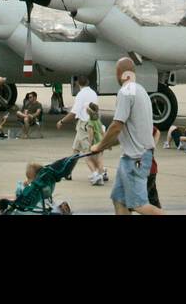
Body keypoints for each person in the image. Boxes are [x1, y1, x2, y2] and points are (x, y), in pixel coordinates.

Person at [89, 57, 164, 215]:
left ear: (119, 73)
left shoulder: (125, 92)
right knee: (119, 199)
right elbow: (128, 131)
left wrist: (99, 146)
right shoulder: (141, 91)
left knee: (138, 205)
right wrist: (108, 143)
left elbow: (116, 125)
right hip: (131, 157)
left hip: (136, 159)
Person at [56, 74, 106, 185]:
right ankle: (68, 172)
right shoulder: (93, 93)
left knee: (87, 153)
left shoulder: (80, 95)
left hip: (85, 126)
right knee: (75, 149)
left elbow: (74, 113)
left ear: (78, 83)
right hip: (90, 123)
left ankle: (96, 174)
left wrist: (62, 121)